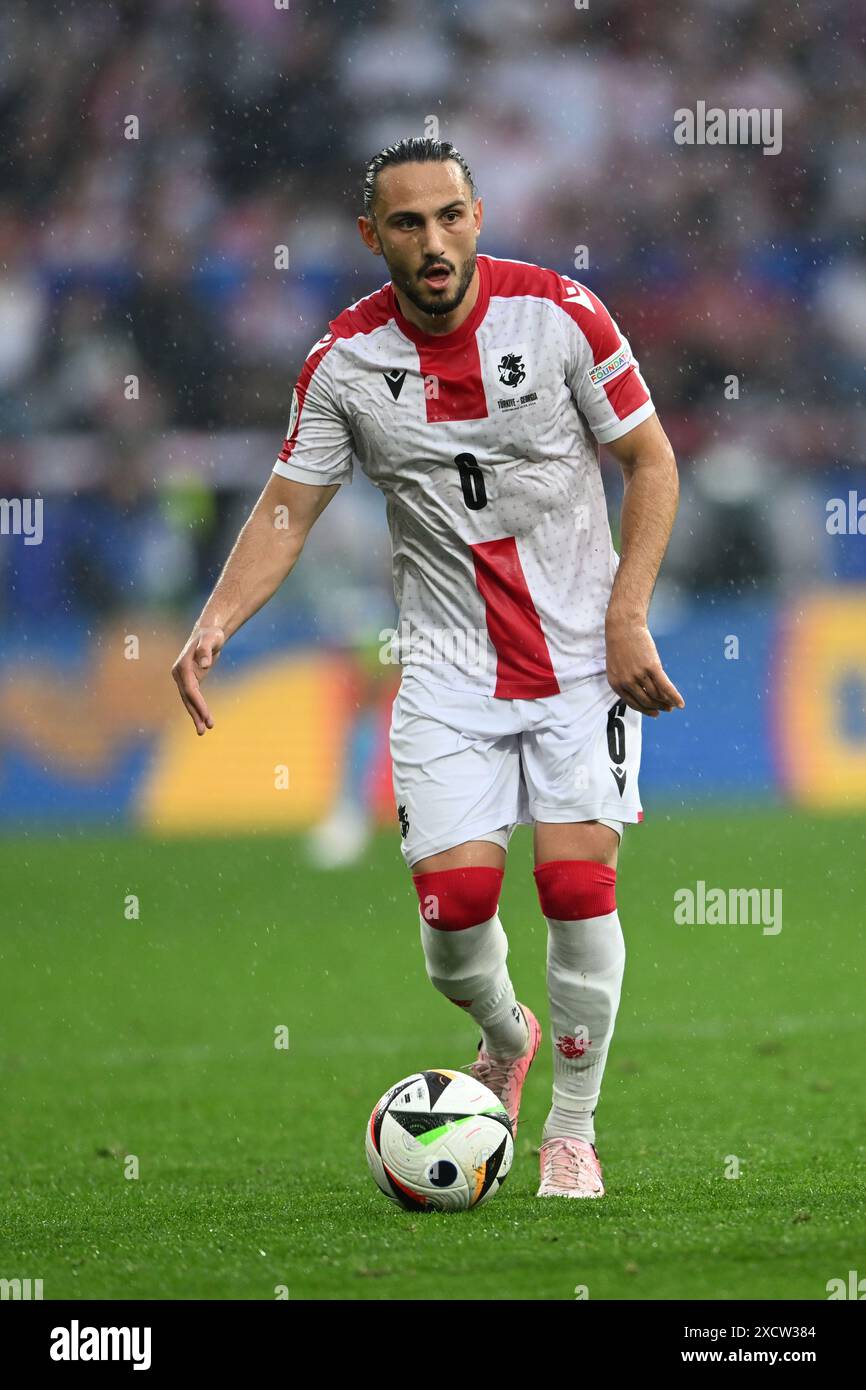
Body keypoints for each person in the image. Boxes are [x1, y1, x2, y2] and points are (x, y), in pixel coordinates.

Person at [171, 137, 684, 1199]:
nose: (432, 240)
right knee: (453, 927)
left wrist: (628, 614)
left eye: (449, 215)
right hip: (446, 671)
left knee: (575, 884)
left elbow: (648, 460)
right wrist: (216, 618)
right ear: (373, 238)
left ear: (478, 217)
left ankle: (570, 1133)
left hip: (582, 655)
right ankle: (504, 1033)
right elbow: (286, 505)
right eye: (406, 223)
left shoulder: (561, 317)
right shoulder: (343, 364)